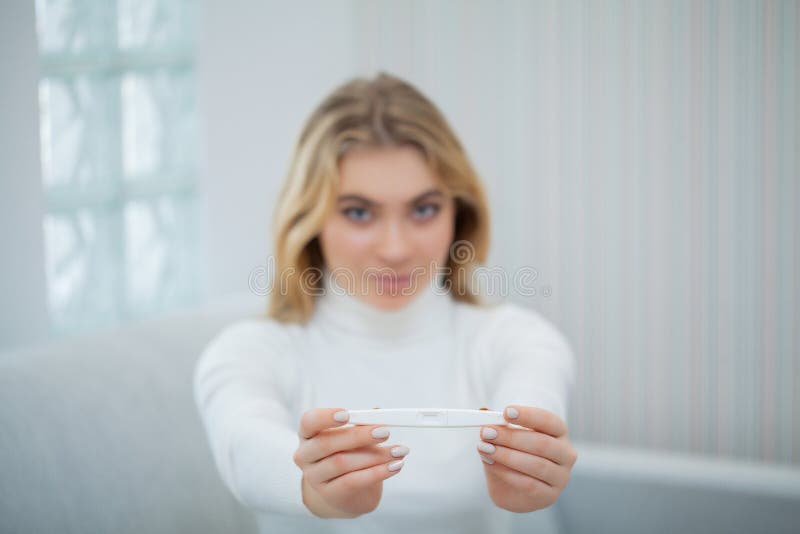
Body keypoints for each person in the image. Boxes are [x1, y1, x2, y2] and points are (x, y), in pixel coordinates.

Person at [193, 71, 577, 533]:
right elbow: (244, 447)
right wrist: (312, 485)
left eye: (424, 210)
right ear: (310, 218)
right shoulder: (247, 353)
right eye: (359, 212)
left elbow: (534, 397)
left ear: (459, 215)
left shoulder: (517, 340)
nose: (395, 249)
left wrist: (530, 460)